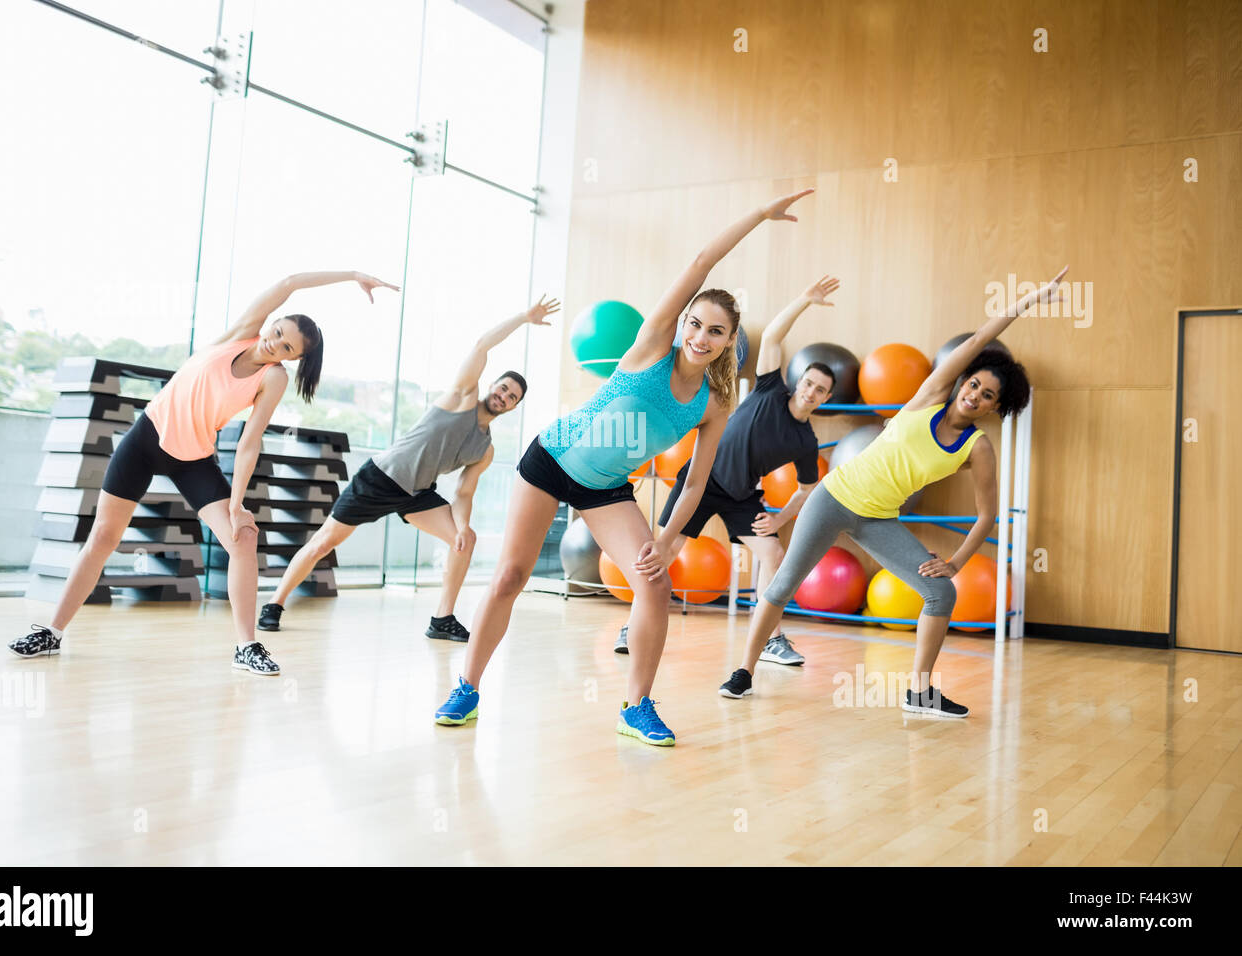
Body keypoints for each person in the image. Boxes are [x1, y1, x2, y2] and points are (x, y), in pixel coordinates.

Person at [434, 188, 815, 746]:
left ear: (731, 341)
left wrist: (664, 540)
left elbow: (697, 481)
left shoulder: (714, 402)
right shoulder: (653, 345)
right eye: (695, 324)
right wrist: (758, 215)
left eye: (716, 331)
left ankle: (636, 706)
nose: (700, 337)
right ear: (682, 323)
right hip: (552, 459)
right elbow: (700, 263)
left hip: (606, 487)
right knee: (511, 576)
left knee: (655, 585)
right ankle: (467, 688)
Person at [719, 266, 1068, 717]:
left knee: (942, 593)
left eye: (987, 396)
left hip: (878, 519)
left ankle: (920, 692)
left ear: (995, 407)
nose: (975, 395)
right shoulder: (932, 394)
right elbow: (980, 339)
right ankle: (744, 671)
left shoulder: (977, 448)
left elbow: (987, 515)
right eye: (974, 384)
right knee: (783, 583)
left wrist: (956, 562)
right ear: (963, 381)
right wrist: (1028, 301)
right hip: (834, 497)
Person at [10, 270, 398, 674]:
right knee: (103, 537)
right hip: (145, 439)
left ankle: (246, 646)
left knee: (243, 539)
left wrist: (236, 505)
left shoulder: (273, 377)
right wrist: (353, 275)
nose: (275, 343)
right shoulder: (241, 333)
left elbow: (249, 442)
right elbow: (288, 283)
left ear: (293, 358)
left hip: (192, 459)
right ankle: (52, 632)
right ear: (272, 322)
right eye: (278, 331)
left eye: (286, 347)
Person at [257, 297, 560, 640]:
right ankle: (274, 604)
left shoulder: (485, 450)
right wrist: (524, 317)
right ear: (493, 386)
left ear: (513, 407)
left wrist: (461, 526)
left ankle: (442, 619)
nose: (504, 396)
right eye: (503, 388)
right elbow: (481, 345)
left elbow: (464, 493)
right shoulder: (461, 395)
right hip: (379, 478)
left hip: (416, 493)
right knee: (323, 544)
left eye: (511, 397)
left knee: (465, 540)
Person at [612, 276, 840, 664]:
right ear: (798, 381)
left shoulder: (806, 441)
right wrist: (805, 298)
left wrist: (779, 518)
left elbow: (806, 488)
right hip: (700, 480)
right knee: (666, 549)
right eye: (808, 383)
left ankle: (770, 639)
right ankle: (632, 626)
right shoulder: (770, 389)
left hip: (741, 495)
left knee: (773, 552)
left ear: (827, 398)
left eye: (820, 390)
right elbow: (773, 335)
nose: (811, 392)